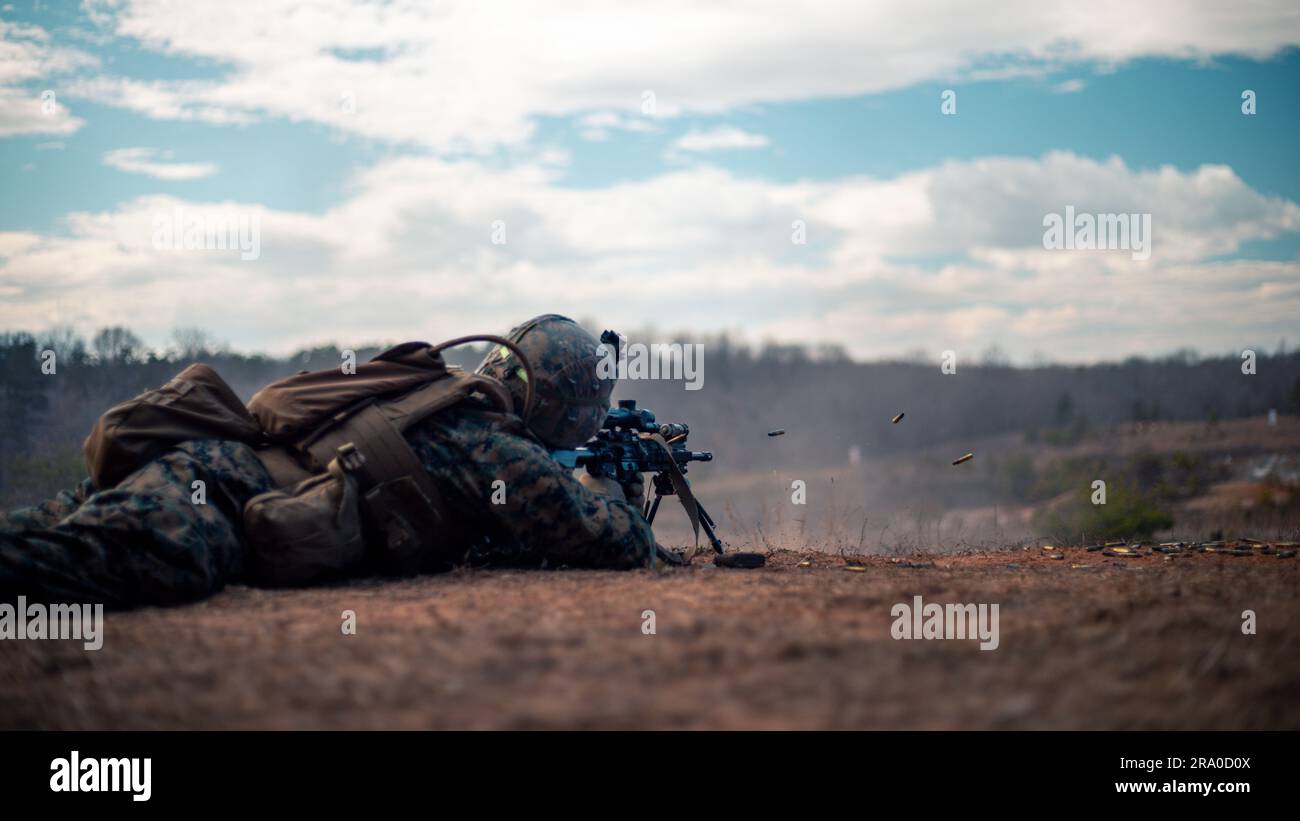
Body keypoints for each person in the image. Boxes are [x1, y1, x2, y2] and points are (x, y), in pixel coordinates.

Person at [0, 315, 658, 609]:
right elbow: (616, 542)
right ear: (566, 409)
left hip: (203, 465)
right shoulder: (497, 449)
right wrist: (614, 486)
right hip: (215, 494)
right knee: (99, 563)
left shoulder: (439, 396)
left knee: (42, 531)